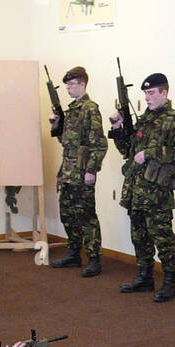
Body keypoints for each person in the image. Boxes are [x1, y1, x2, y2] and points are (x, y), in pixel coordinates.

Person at [109, 73, 175, 302]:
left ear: (164, 92)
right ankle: (145, 275)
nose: (147, 97)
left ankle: (169, 281)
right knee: (139, 236)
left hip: (157, 192)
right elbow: (128, 150)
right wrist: (118, 128)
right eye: (145, 93)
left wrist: (151, 153)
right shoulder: (144, 120)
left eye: (152, 93)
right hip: (136, 189)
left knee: (162, 237)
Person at [49, 66, 108, 278]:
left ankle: (94, 259)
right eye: (67, 85)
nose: (68, 88)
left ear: (82, 84)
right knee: (67, 214)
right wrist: (57, 125)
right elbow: (67, 142)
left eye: (72, 84)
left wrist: (91, 170)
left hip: (82, 172)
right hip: (67, 171)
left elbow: (100, 144)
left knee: (86, 216)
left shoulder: (90, 108)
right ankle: (74, 252)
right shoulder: (72, 109)